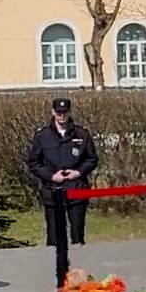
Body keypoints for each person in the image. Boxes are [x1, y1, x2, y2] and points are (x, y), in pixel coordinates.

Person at [25, 97, 97, 248]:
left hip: (76, 189)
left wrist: (78, 172)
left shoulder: (81, 134)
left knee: (77, 236)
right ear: (53, 112)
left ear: (69, 112)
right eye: (58, 112)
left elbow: (92, 159)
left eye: (64, 112)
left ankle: (78, 269)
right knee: (54, 237)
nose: (62, 115)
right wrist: (51, 176)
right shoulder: (42, 136)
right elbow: (33, 163)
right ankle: (55, 269)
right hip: (53, 191)